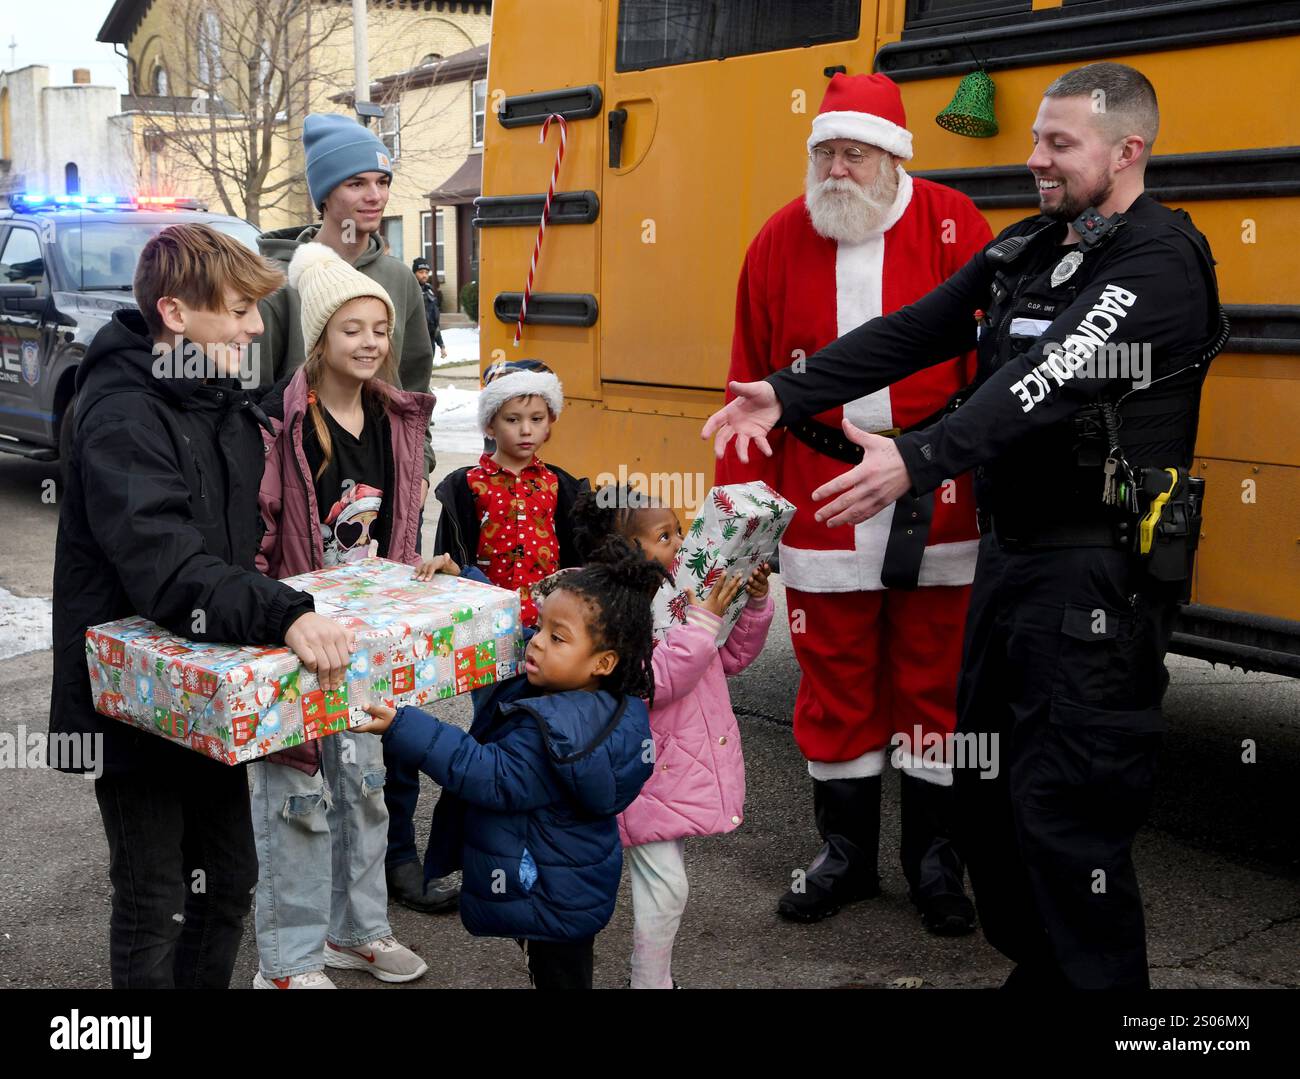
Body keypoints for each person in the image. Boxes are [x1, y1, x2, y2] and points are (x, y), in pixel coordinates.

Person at [703, 63, 1226, 989]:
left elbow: (1050, 379)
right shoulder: (1031, 246)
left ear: (1128, 150)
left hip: (1094, 580)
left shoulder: (1156, 259)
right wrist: (786, 390)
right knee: (991, 801)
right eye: (1034, 139)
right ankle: (1044, 967)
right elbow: (914, 330)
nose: (1034, 159)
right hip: (1011, 565)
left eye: (1059, 144)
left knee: (1067, 814)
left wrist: (920, 454)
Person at [719, 72, 991, 934]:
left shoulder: (957, 225)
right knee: (833, 676)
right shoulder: (776, 239)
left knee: (935, 678)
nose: (837, 169)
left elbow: (994, 373)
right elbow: (747, 380)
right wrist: (742, 526)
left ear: (893, 156)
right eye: (825, 152)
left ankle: (936, 861)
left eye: (856, 152)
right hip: (818, 486)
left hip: (935, 484)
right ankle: (844, 856)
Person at [49, 223, 355, 988]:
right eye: (241, 307)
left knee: (225, 881)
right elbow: (172, 569)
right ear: (177, 313)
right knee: (157, 897)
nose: (256, 325)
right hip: (134, 701)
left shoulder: (218, 399)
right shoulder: (121, 411)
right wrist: (284, 610)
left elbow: (252, 543)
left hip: (211, 691)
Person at [251, 113, 447, 910]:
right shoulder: (284, 275)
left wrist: (416, 467)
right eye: (356, 181)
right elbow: (269, 387)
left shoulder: (397, 277)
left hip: (379, 520)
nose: (371, 196)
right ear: (326, 190)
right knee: (307, 746)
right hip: (310, 525)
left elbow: (415, 373)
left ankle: (389, 866)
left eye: (380, 181)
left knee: (381, 714)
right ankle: (301, 903)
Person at [357, 543, 663, 989]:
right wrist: (466, 578)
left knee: (558, 976)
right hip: (568, 886)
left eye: (556, 637)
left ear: (603, 662)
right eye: (542, 626)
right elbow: (510, 630)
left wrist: (405, 727)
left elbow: (486, 773)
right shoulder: (598, 700)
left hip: (547, 895)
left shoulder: (553, 734)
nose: (536, 640)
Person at [570, 486, 774, 988]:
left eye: (681, 529)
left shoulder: (679, 592)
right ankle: (649, 981)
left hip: (673, 771)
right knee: (665, 886)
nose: (681, 543)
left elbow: (728, 660)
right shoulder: (618, 611)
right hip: (643, 772)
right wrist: (703, 619)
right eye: (665, 536)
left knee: (659, 885)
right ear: (622, 549)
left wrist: (753, 605)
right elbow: (655, 681)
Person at [432, 361, 588, 630]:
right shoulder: (466, 485)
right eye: (512, 419)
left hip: (546, 622)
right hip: (484, 618)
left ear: (549, 423)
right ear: (490, 425)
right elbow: (449, 556)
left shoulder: (560, 484)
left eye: (536, 419)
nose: (526, 430)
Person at [413, 257, 448, 360]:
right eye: (421, 272)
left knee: (427, 374)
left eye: (426, 272)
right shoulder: (410, 291)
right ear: (414, 273)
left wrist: (441, 345)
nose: (424, 275)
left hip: (430, 342)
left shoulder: (430, 291)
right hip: (415, 344)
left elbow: (434, 322)